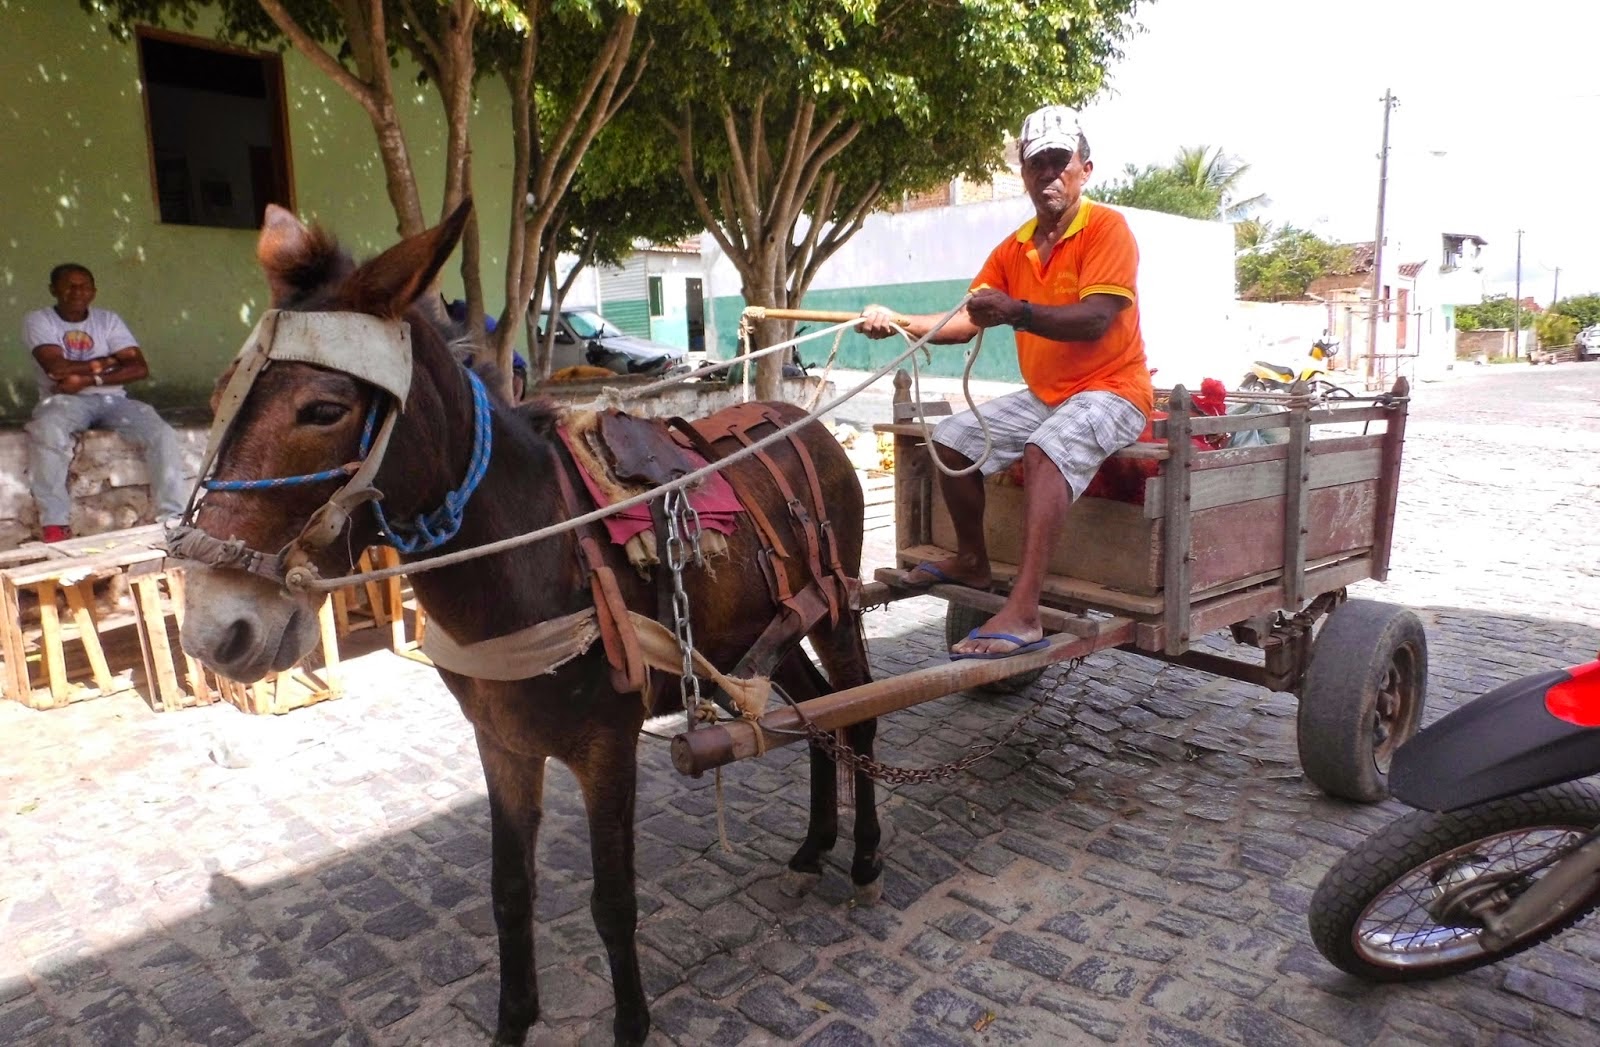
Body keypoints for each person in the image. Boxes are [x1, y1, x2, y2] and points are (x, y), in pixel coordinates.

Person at [859, 105, 1153, 660]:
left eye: (1059, 161)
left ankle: (1024, 610)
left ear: (1085, 170)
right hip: (1050, 395)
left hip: (1114, 389)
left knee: (1045, 448)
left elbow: (1096, 319)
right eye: (1036, 162)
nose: (1048, 173)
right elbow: (964, 320)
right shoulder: (1012, 248)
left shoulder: (1107, 229)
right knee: (950, 439)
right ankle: (973, 560)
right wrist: (896, 321)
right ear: (1024, 174)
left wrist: (1017, 312)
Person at [22, 264, 186, 542]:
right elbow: (57, 368)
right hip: (64, 400)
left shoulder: (108, 320)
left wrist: (87, 379)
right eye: (69, 285)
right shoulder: (39, 320)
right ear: (53, 289)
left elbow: (139, 368)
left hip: (113, 400)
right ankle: (55, 523)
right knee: (47, 430)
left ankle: (174, 518)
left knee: (161, 432)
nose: (78, 291)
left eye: (84, 285)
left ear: (94, 291)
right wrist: (110, 360)